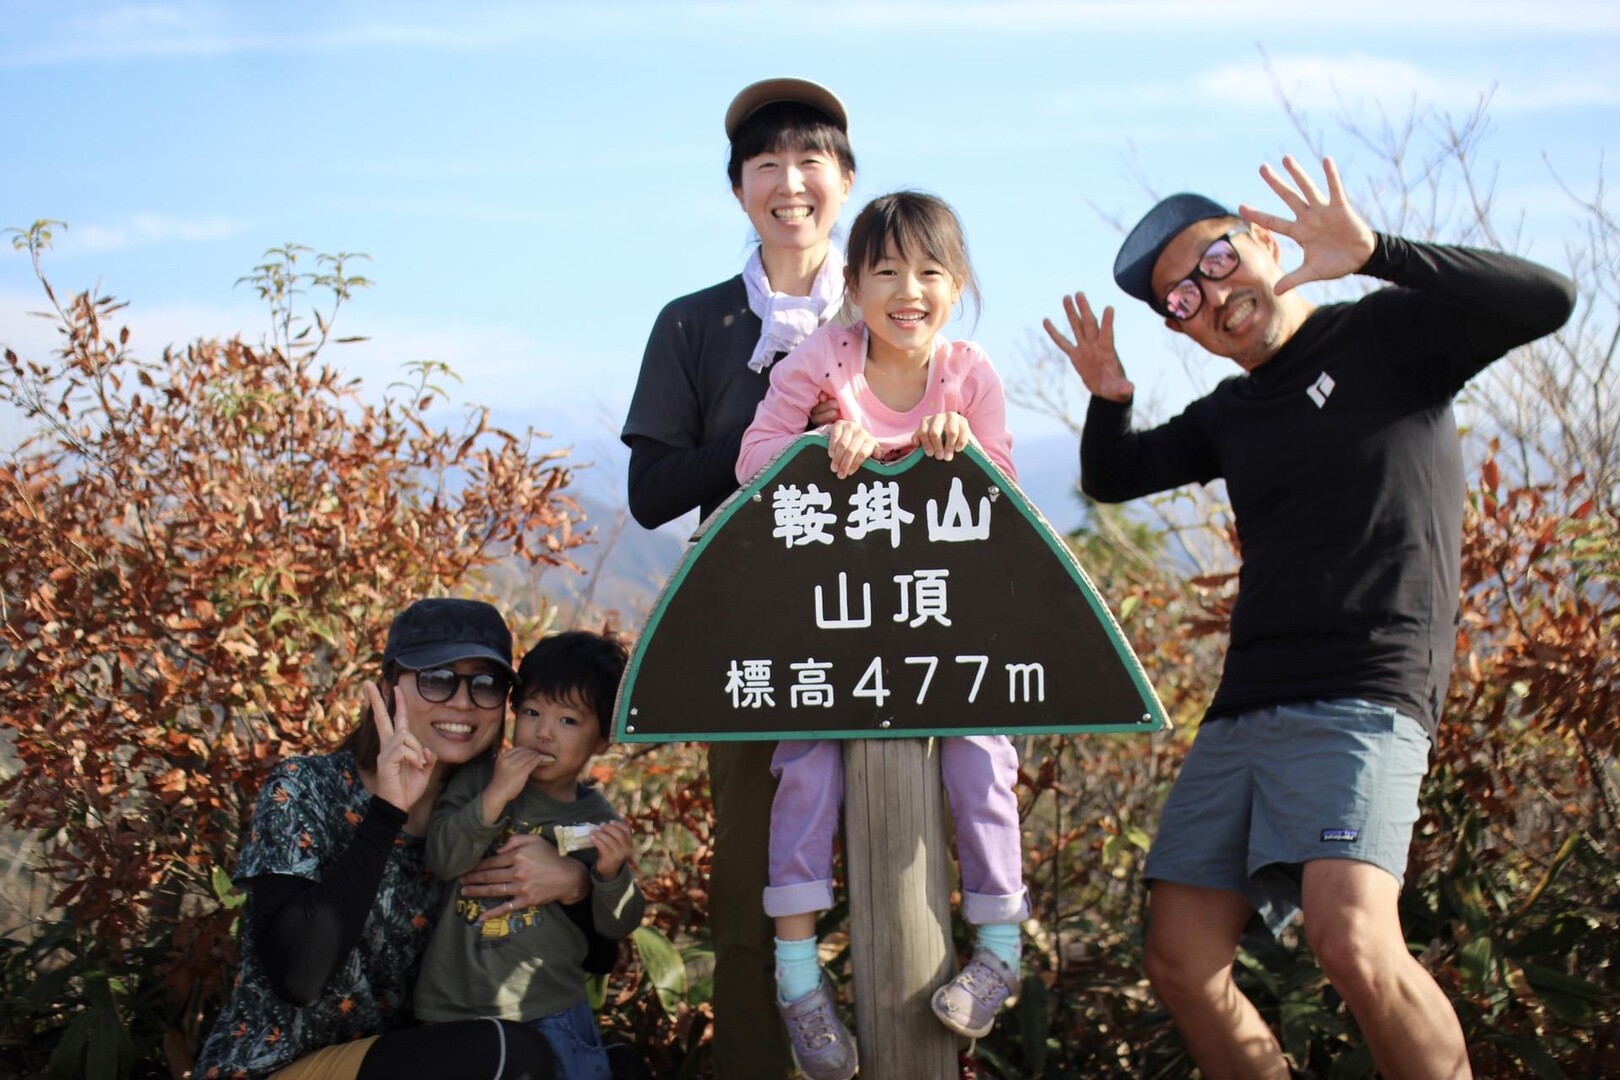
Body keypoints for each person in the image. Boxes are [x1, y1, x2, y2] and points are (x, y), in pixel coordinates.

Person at [1042, 155, 1574, 1080]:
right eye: (1179, 302)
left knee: (1353, 940)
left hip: (1368, 689)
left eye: (1212, 261)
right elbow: (1112, 478)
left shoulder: (1384, 338)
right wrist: (1110, 399)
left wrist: (1380, 251)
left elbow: (1549, 298)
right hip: (1247, 704)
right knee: (1179, 959)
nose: (1207, 297)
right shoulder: (1233, 409)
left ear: (1258, 240)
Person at [736, 191, 1030, 1079]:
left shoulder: (968, 373)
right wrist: (822, 444)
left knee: (983, 761)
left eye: (931, 272)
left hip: (943, 630)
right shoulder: (824, 358)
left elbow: (1007, 498)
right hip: (837, 629)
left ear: (959, 285)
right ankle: (799, 984)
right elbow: (755, 465)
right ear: (854, 286)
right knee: (805, 769)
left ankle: (999, 957)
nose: (909, 290)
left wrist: (963, 449)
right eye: (887, 271)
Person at [620, 76, 856, 1079]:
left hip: (894, 622)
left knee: (901, 867)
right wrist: (773, 430)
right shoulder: (697, 324)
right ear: (738, 191)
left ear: (845, 180)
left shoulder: (896, 301)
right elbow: (650, 491)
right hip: (750, 626)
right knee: (759, 887)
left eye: (810, 160)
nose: (789, 182)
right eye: (767, 165)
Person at [194, 598, 587, 1080]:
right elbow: (297, 978)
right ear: (387, 689)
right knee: (509, 1054)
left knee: (605, 1061)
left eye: (485, 685)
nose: (462, 701)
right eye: (437, 678)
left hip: (411, 1057)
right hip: (276, 1066)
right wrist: (386, 814)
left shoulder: (493, 812)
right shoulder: (306, 787)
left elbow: (597, 955)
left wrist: (575, 885)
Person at [414, 630, 645, 1080]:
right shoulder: (479, 781)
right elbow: (442, 859)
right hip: (451, 1007)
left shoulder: (595, 819)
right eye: (533, 712)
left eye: (568, 722)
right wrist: (494, 797)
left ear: (602, 741)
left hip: (550, 1007)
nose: (544, 732)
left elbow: (619, 923)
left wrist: (611, 873)